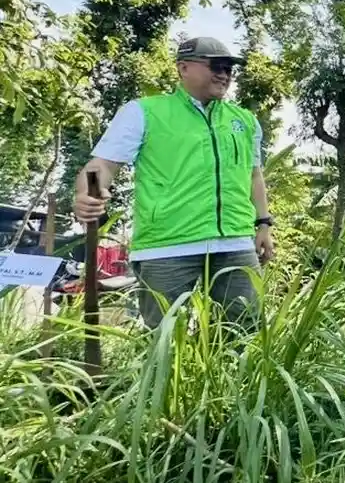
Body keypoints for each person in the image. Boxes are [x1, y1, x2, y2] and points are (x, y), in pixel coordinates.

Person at [72, 36, 275, 330]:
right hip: (167, 247)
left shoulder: (244, 120)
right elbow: (101, 164)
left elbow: (254, 174)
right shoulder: (144, 112)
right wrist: (85, 193)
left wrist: (264, 223)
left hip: (235, 242)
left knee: (246, 332)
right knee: (164, 340)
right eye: (216, 66)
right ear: (183, 68)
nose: (225, 74)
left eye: (230, 68)